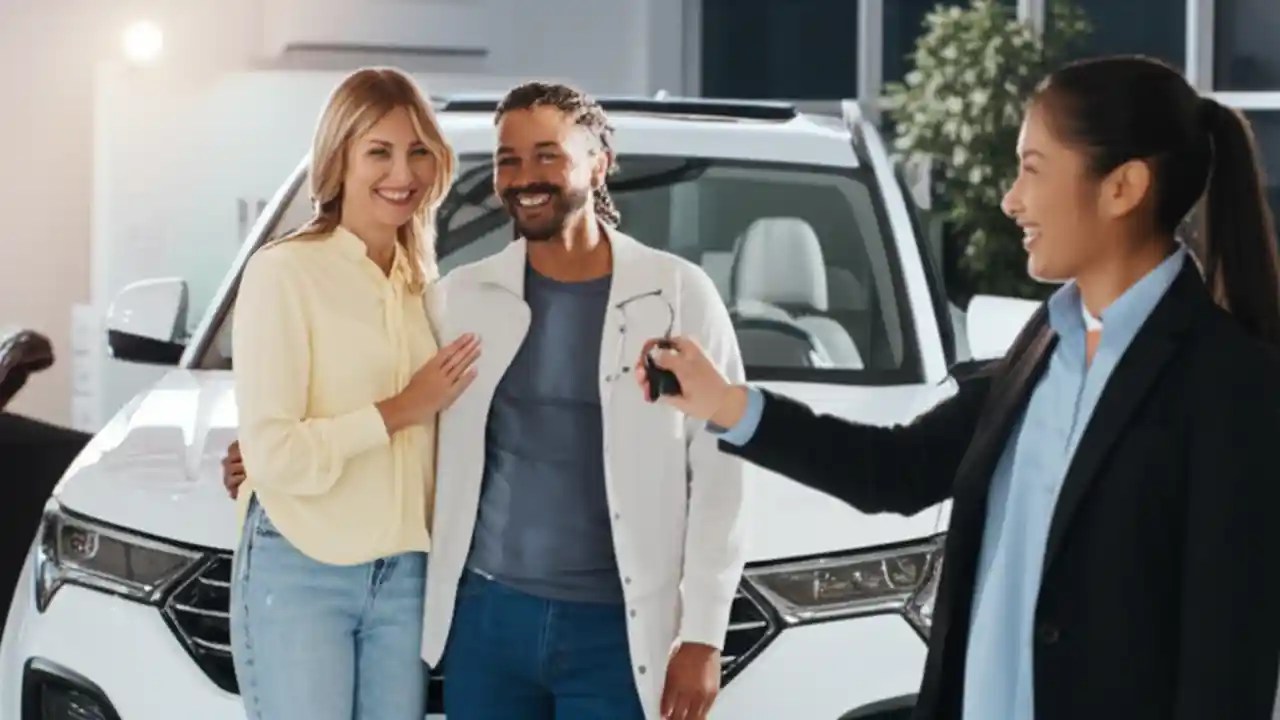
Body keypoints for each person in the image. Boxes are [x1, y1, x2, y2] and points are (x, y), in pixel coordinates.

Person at [637, 55, 1280, 720]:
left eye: (1033, 168)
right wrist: (724, 402)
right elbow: (895, 470)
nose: (1011, 199)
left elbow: (1227, 665)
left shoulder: (1232, 387)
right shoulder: (1043, 346)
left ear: (1123, 188)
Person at [225, 81, 749, 720]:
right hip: (485, 622)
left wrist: (703, 633)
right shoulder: (461, 297)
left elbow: (722, 471)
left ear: (598, 162)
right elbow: (413, 408)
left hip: (614, 627)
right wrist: (262, 451)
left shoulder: (677, 295)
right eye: (508, 160)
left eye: (548, 154)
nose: (526, 176)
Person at [227, 67, 481, 720]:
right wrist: (403, 409)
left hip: (406, 579)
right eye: (380, 151)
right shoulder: (284, 272)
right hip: (302, 567)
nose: (403, 173)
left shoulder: (426, 292)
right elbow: (276, 451)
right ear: (338, 159)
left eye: (418, 150)